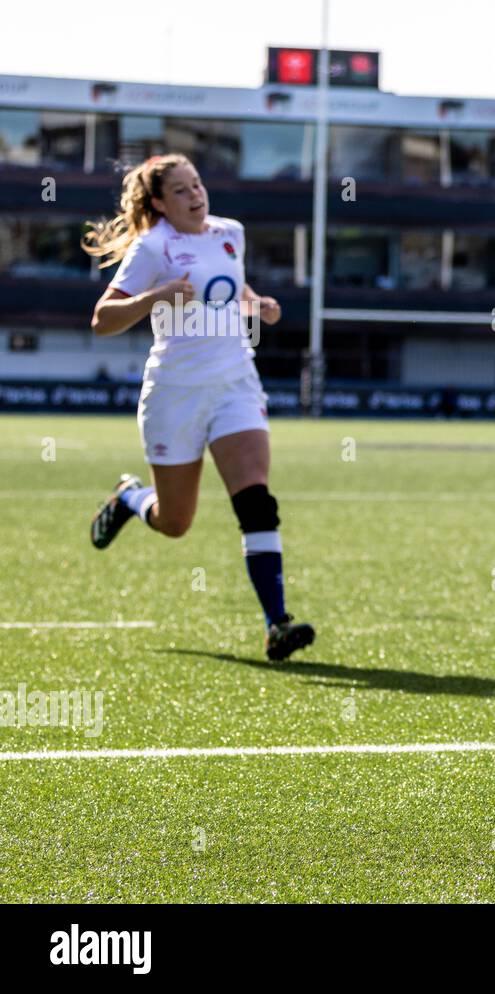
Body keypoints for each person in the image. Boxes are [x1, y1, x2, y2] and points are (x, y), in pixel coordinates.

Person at [82, 153, 315, 661]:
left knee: (256, 501)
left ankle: (277, 624)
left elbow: (230, 286)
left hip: (235, 383)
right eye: (182, 190)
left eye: (198, 184)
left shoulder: (230, 231)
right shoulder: (153, 246)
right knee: (175, 522)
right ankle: (129, 499)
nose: (196, 195)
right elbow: (103, 319)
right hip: (175, 393)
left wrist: (258, 303)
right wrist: (157, 296)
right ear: (161, 204)